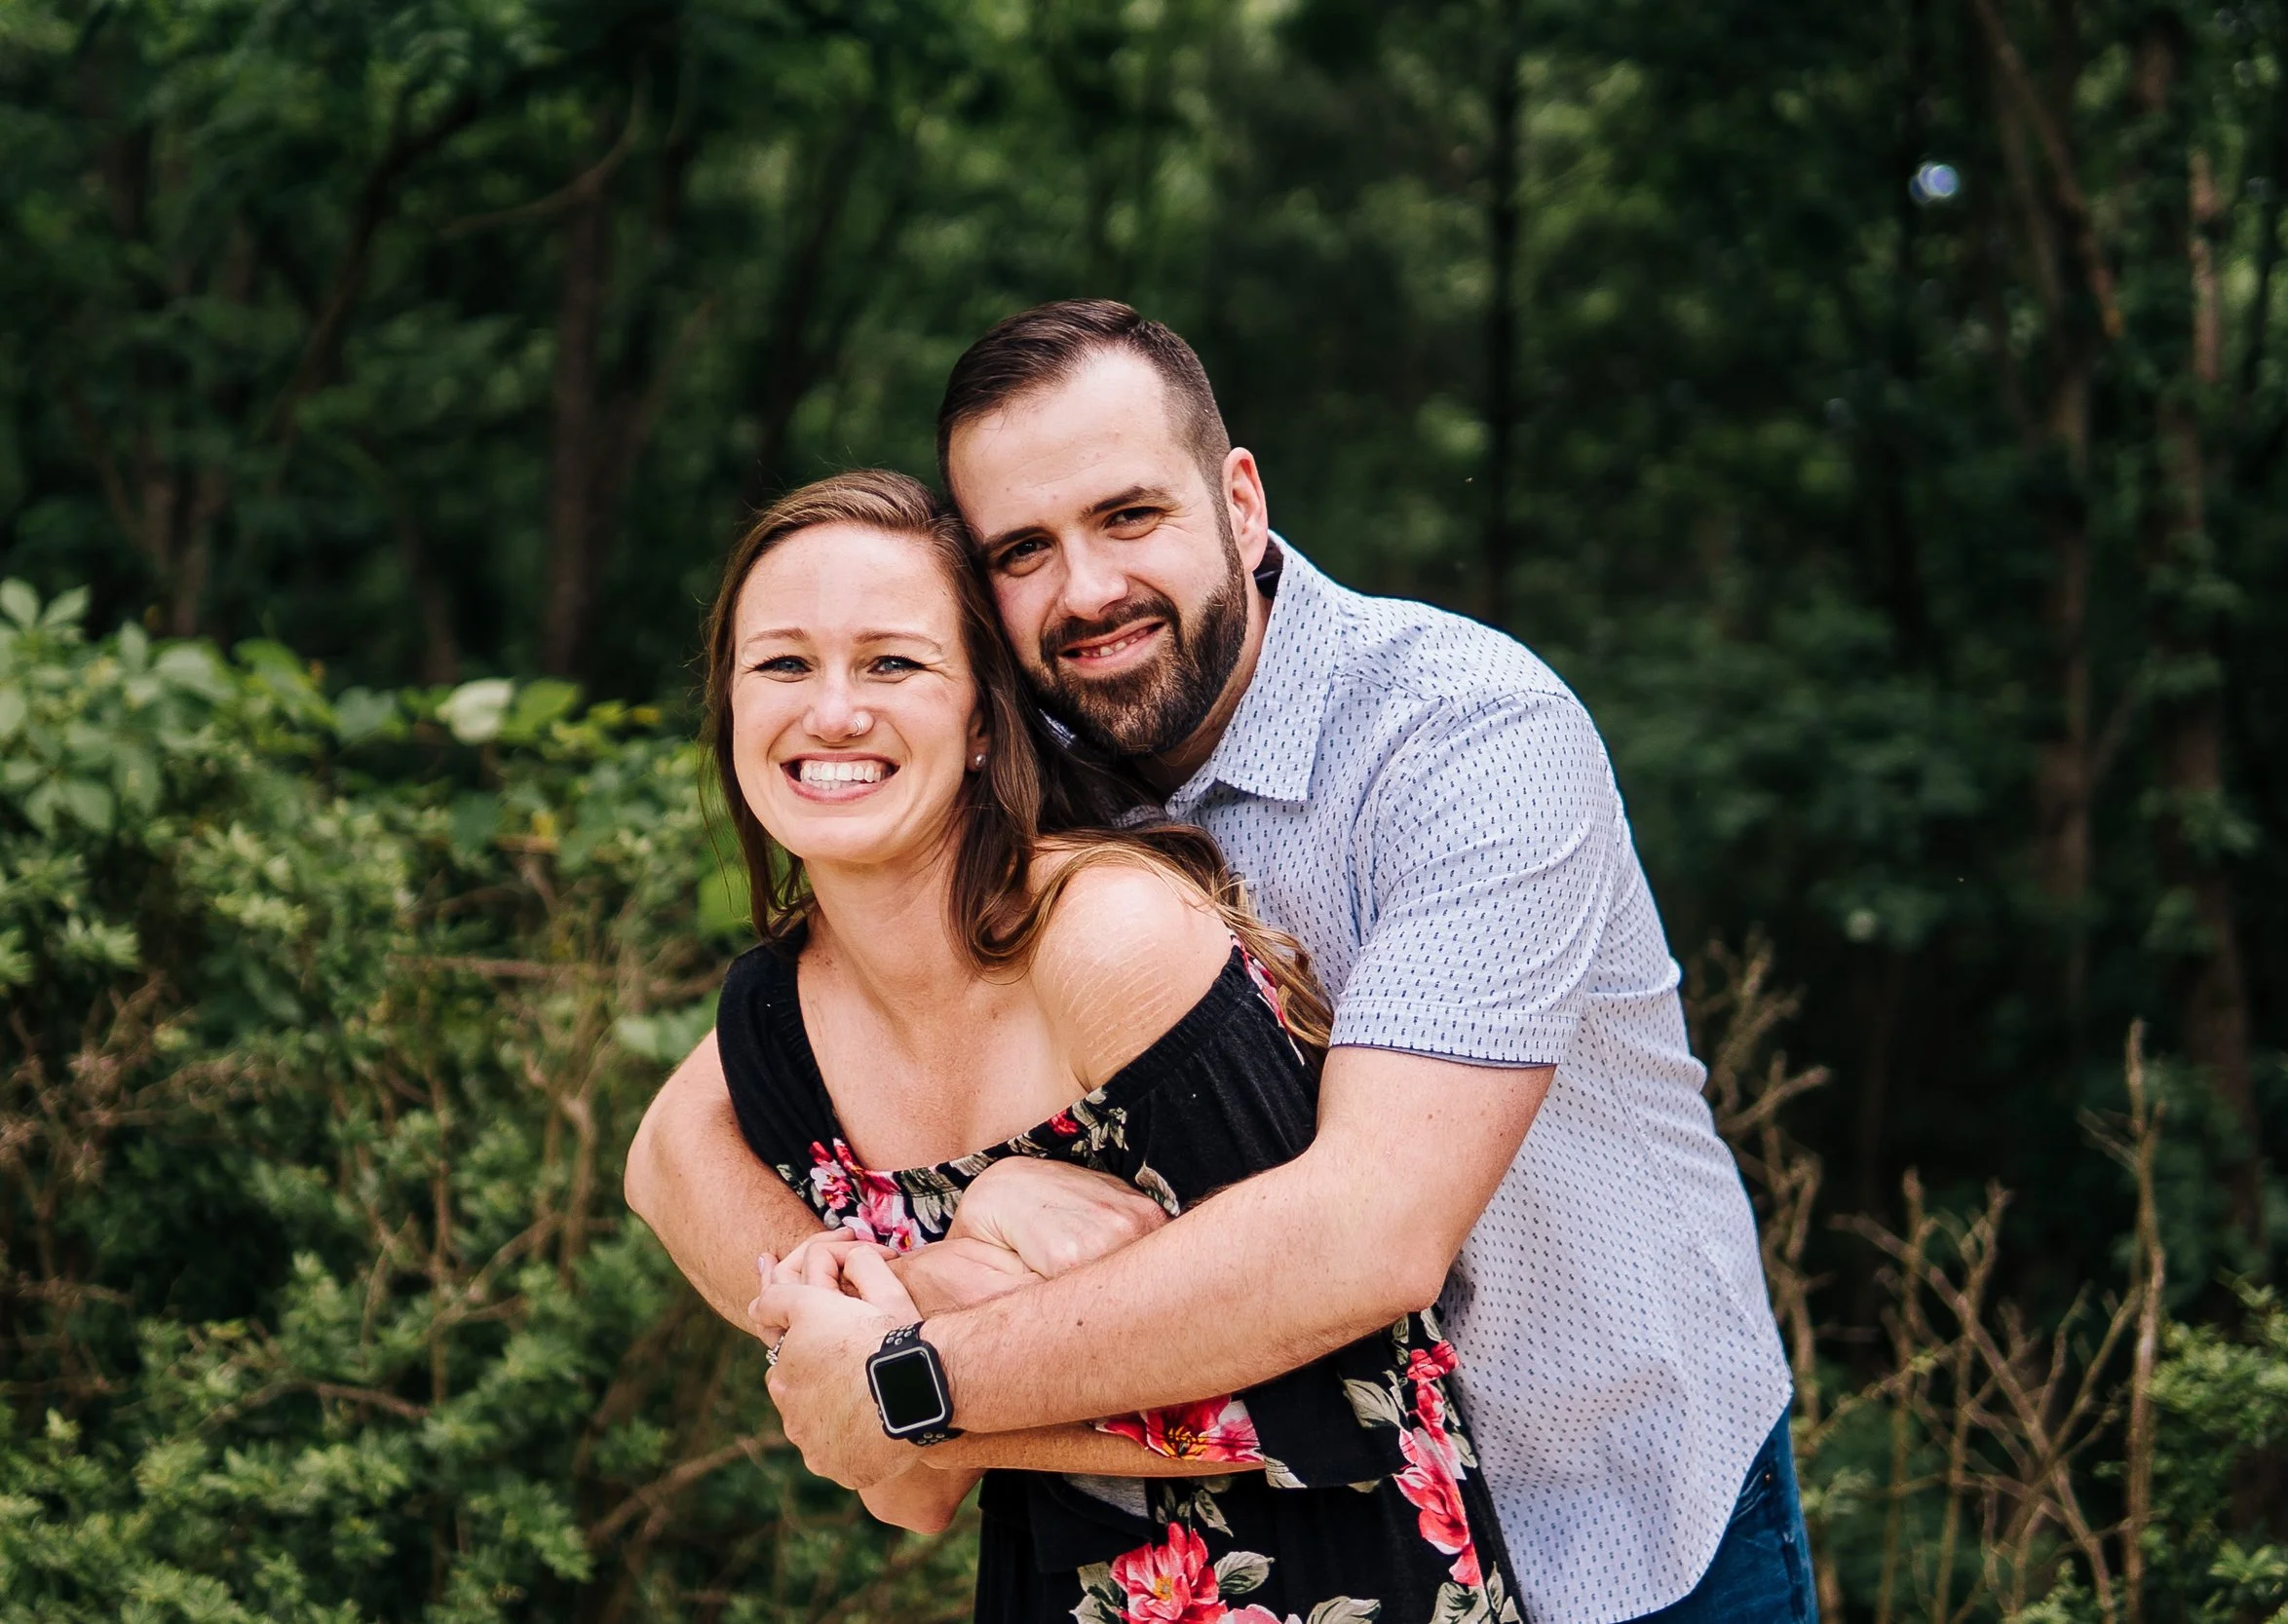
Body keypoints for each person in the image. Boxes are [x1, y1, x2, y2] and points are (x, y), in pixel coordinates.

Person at [627, 301, 1814, 1624]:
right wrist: (910, 1277)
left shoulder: (1468, 737)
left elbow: (1366, 1235)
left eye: (1129, 515)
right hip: (1257, 1528)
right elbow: (688, 1135)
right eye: (1024, 548)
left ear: (1239, 502)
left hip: (1621, 1505)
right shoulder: (1016, 756)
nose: (1085, 589)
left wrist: (911, 1378)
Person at [691, 467, 1527, 1624]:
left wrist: (919, 1324)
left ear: (983, 716)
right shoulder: (775, 1022)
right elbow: (903, 1485)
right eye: (782, 663)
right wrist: (953, 1301)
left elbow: (1343, 1384)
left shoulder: (1105, 935)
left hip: (1343, 1582)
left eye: (892, 662)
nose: (832, 710)